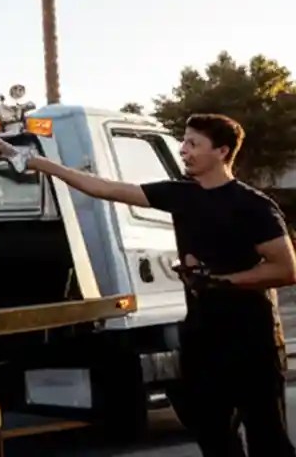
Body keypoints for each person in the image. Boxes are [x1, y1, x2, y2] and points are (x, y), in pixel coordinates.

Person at [21, 113, 296, 457]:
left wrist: (220, 280)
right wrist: (47, 165)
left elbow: (285, 270)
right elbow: (105, 188)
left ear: (222, 151)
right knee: (211, 432)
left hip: (252, 338)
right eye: (184, 141)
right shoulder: (180, 195)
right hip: (202, 335)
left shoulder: (254, 206)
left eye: (193, 144)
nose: (183, 150)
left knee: (267, 438)